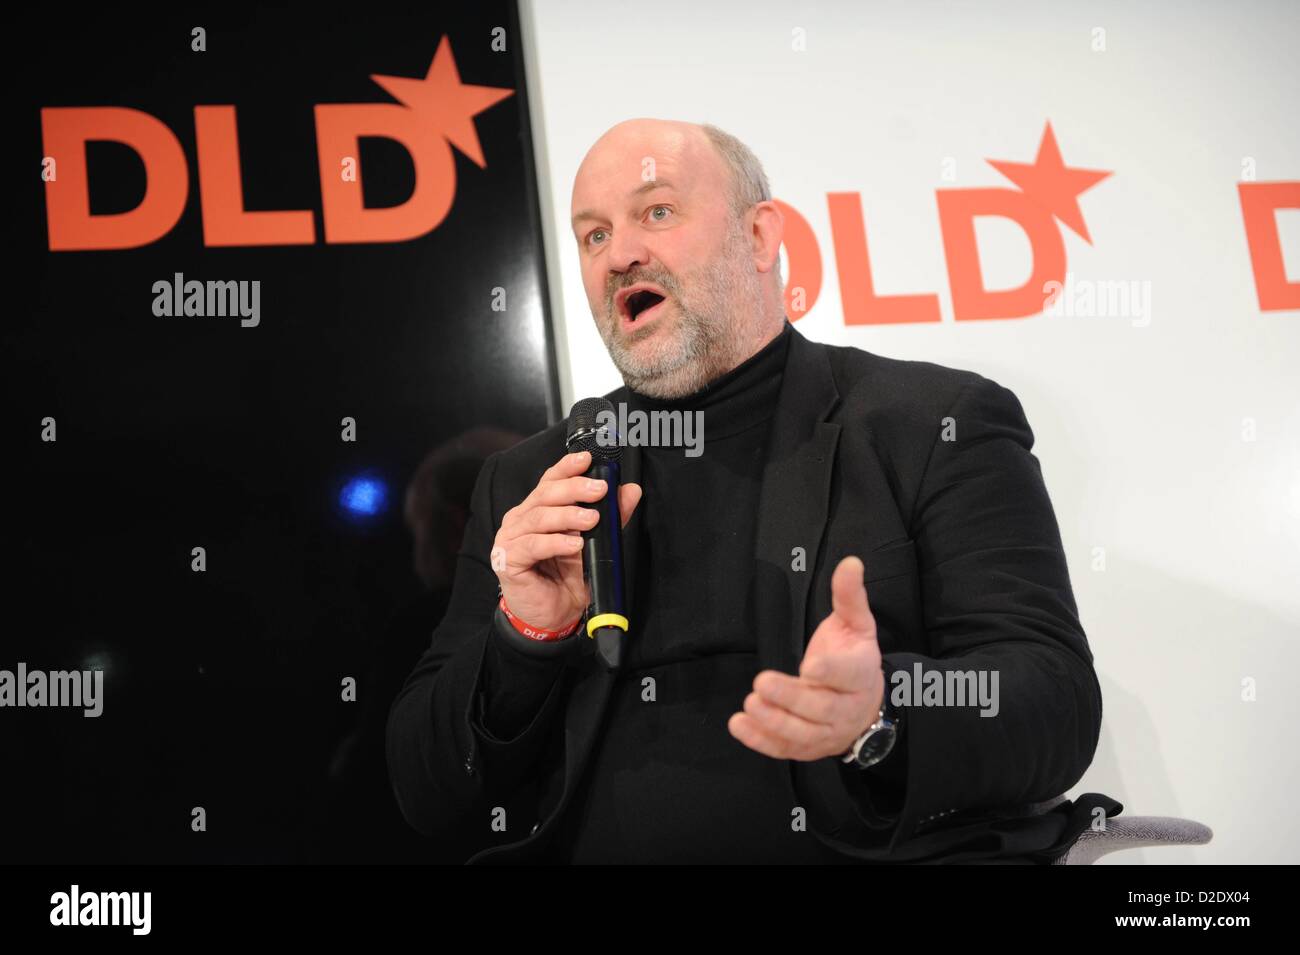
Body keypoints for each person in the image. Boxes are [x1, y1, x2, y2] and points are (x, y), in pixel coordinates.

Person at [386, 118, 1119, 864]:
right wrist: (525, 639)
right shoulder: (530, 482)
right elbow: (425, 787)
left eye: (657, 212)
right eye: (593, 235)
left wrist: (883, 708)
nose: (621, 253)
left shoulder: (931, 424)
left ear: (762, 236)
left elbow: (1051, 700)